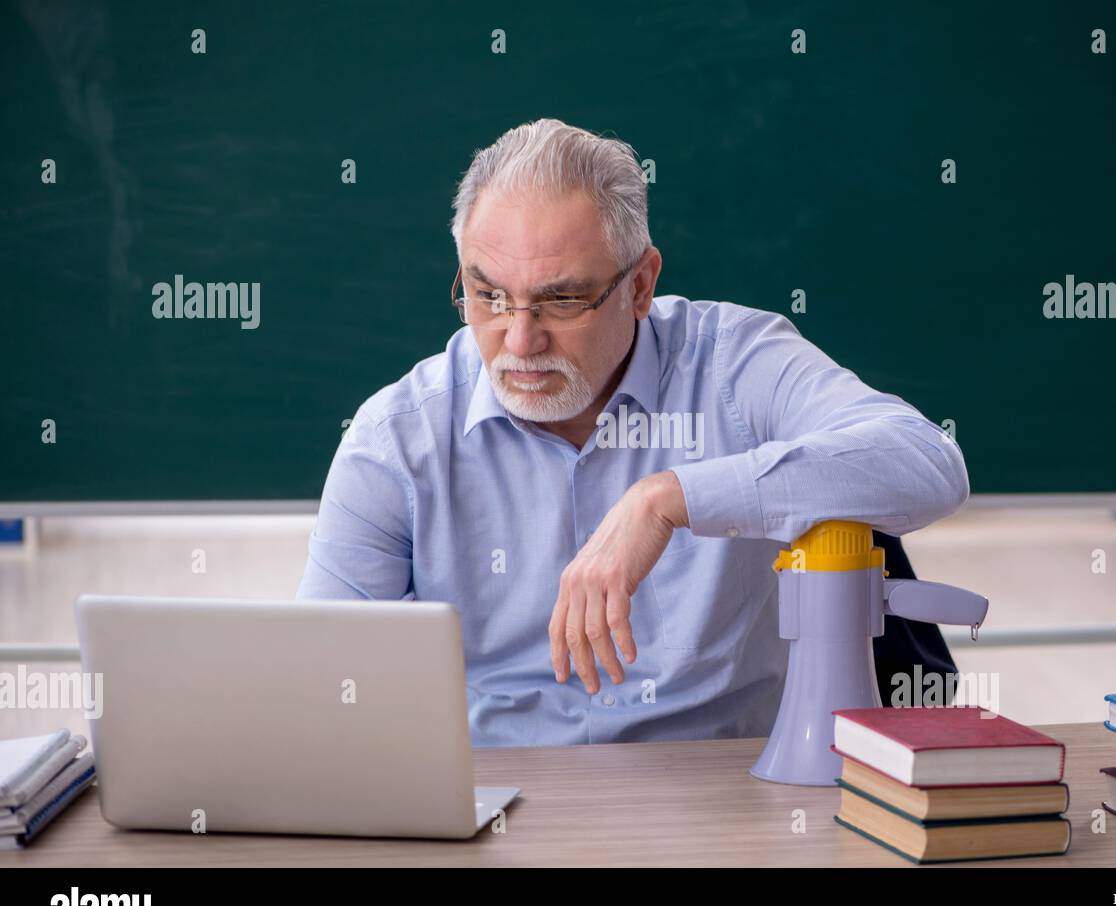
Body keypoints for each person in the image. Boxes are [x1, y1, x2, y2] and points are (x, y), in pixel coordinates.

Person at [297, 118, 970, 745]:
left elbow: (928, 461)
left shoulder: (735, 366)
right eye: (489, 295)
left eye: (562, 299)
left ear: (641, 284)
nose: (519, 339)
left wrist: (670, 497)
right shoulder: (395, 440)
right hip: (491, 810)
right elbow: (324, 700)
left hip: (727, 806)